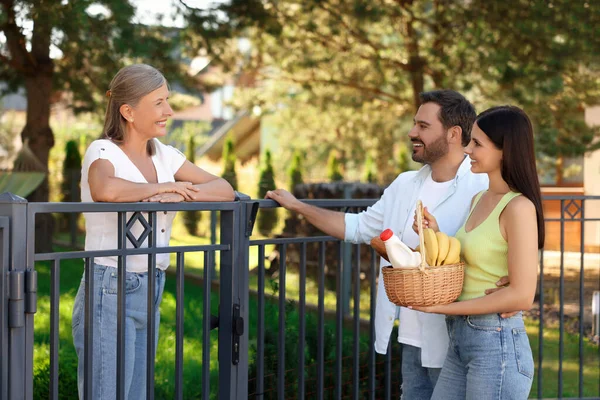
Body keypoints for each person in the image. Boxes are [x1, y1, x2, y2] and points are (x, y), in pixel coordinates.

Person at [266, 90, 500, 399]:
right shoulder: (404, 185)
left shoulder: (482, 186)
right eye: (414, 124)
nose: (412, 132)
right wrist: (299, 207)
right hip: (412, 336)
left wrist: (510, 280)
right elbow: (359, 227)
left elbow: (505, 239)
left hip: (459, 339)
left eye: (423, 126)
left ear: (454, 134)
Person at [71, 64, 235, 399]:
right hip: (110, 284)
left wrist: (177, 190)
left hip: (151, 285)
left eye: (167, 100)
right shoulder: (102, 151)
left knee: (136, 393)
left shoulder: (166, 154)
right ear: (128, 111)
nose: (169, 111)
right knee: (108, 393)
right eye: (159, 102)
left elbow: (224, 190)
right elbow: (106, 189)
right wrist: (159, 188)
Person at [411, 106, 543, 399]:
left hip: (496, 343)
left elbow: (521, 295)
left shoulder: (519, 208)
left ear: (505, 151)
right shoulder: (479, 199)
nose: (467, 149)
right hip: (460, 338)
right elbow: (474, 262)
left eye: (477, 144)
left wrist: (442, 308)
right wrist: (434, 234)